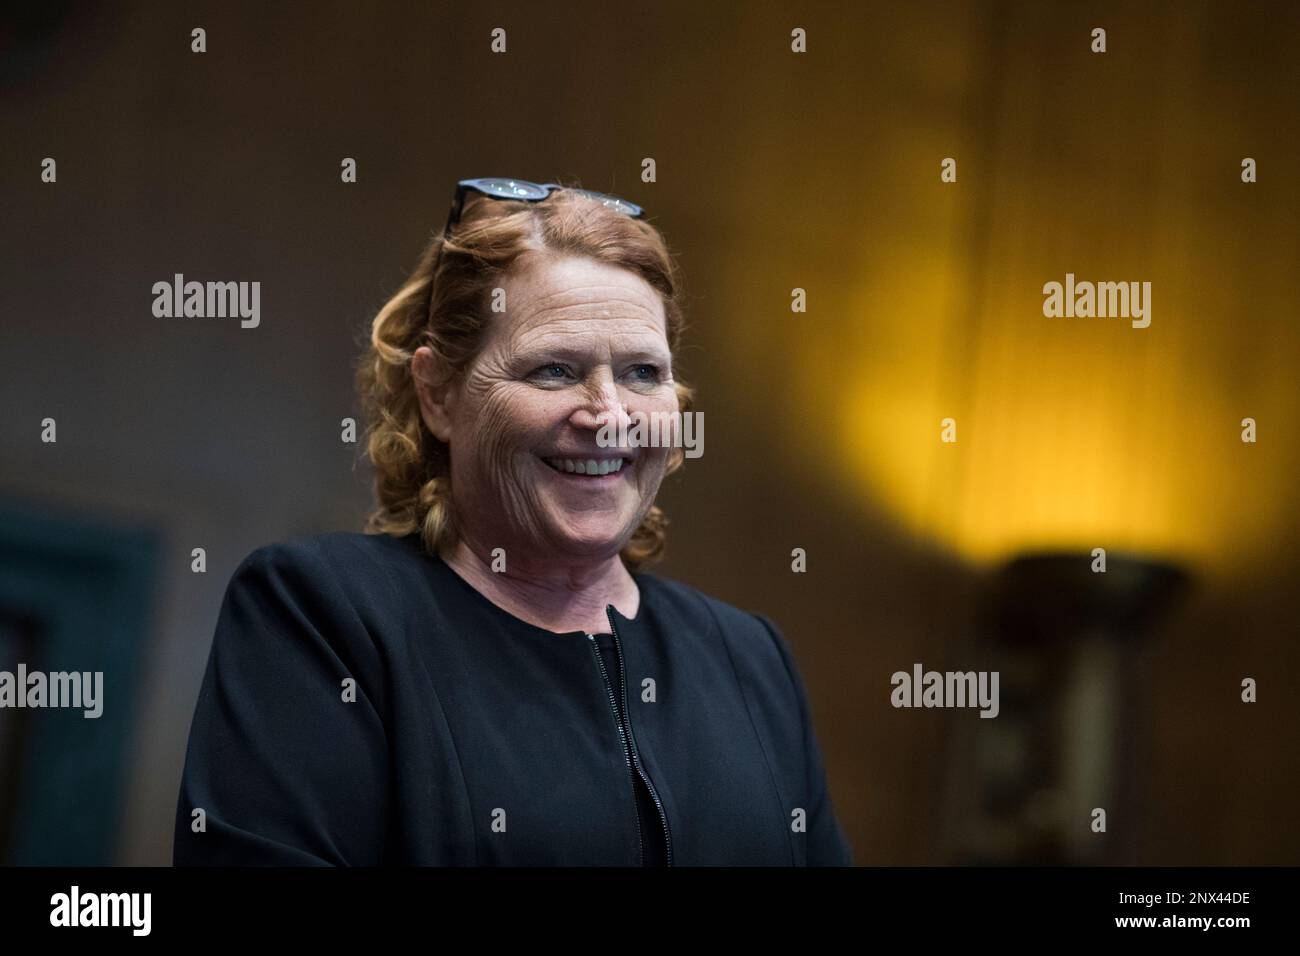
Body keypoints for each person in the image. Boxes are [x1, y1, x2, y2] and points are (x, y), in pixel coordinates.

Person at [173, 178, 854, 866]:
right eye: (555, 370)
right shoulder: (324, 616)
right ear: (439, 394)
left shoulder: (750, 660)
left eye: (643, 373)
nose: (609, 415)